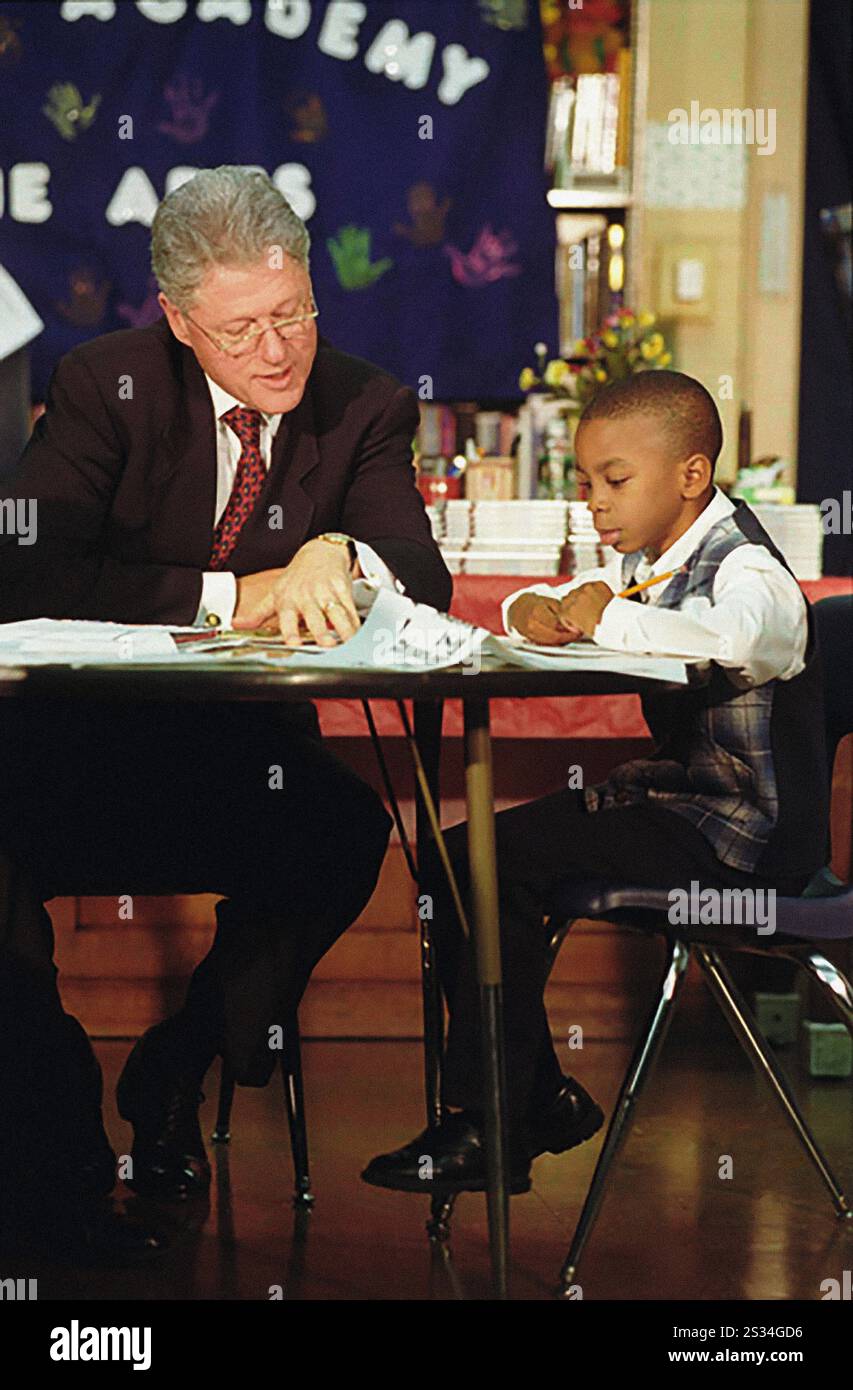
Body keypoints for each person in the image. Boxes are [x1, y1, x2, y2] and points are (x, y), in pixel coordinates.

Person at [0, 166, 451, 1260]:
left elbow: (422, 582)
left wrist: (340, 548)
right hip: (75, 753)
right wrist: (229, 596)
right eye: (241, 328)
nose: (276, 350)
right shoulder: (105, 381)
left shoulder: (366, 403)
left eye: (291, 312)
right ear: (179, 320)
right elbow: (27, 573)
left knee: (344, 833)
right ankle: (58, 1170)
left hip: (247, 756)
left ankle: (179, 1063)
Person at [362, 369, 829, 1196]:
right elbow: (573, 600)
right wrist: (537, 612)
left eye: (615, 480)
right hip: (678, 803)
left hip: (743, 839)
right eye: (584, 483)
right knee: (456, 855)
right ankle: (530, 1100)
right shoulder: (656, 556)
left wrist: (599, 613)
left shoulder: (748, 571)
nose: (595, 502)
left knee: (487, 865)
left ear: (691, 476)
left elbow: (729, 640)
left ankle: (496, 1118)